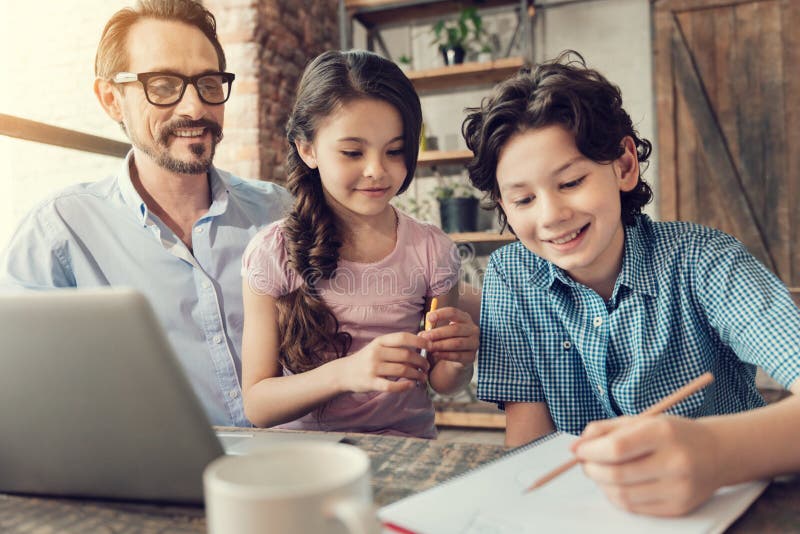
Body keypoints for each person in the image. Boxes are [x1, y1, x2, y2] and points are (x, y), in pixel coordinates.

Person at [462, 50, 800, 515]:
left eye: (571, 181)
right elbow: (528, 450)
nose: (551, 216)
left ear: (623, 165)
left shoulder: (703, 260)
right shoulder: (509, 278)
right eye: (522, 199)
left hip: (727, 506)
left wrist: (716, 454)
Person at [0, 0, 292, 427]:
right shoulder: (58, 234)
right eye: (163, 84)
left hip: (293, 466)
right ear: (111, 99)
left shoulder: (279, 213)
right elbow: (19, 398)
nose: (194, 108)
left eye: (208, 83)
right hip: (147, 480)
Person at [240, 50, 479, 438]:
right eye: (353, 152)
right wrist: (346, 373)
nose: (377, 170)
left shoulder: (432, 250)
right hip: (305, 460)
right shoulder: (272, 254)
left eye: (395, 151)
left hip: (405, 447)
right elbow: (258, 405)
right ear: (308, 149)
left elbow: (442, 380)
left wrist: (459, 360)